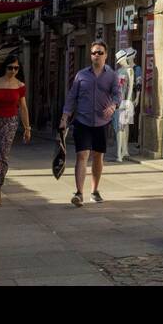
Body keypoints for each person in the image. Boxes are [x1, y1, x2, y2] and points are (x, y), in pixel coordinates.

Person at [60, 40, 122, 207]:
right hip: (82, 120)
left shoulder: (112, 75)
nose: (97, 55)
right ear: (91, 55)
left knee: (98, 157)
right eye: (94, 52)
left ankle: (94, 191)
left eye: (100, 52)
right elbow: (72, 97)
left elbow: (118, 94)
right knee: (82, 155)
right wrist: (64, 117)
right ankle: (79, 193)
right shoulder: (81, 75)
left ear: (106, 55)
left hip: (102, 122)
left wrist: (113, 105)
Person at [0, 58, 31, 207]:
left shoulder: (19, 85)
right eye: (10, 68)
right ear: (5, 67)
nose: (13, 71)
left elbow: (23, 107)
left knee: (3, 154)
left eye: (16, 68)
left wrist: (27, 128)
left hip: (10, 121)